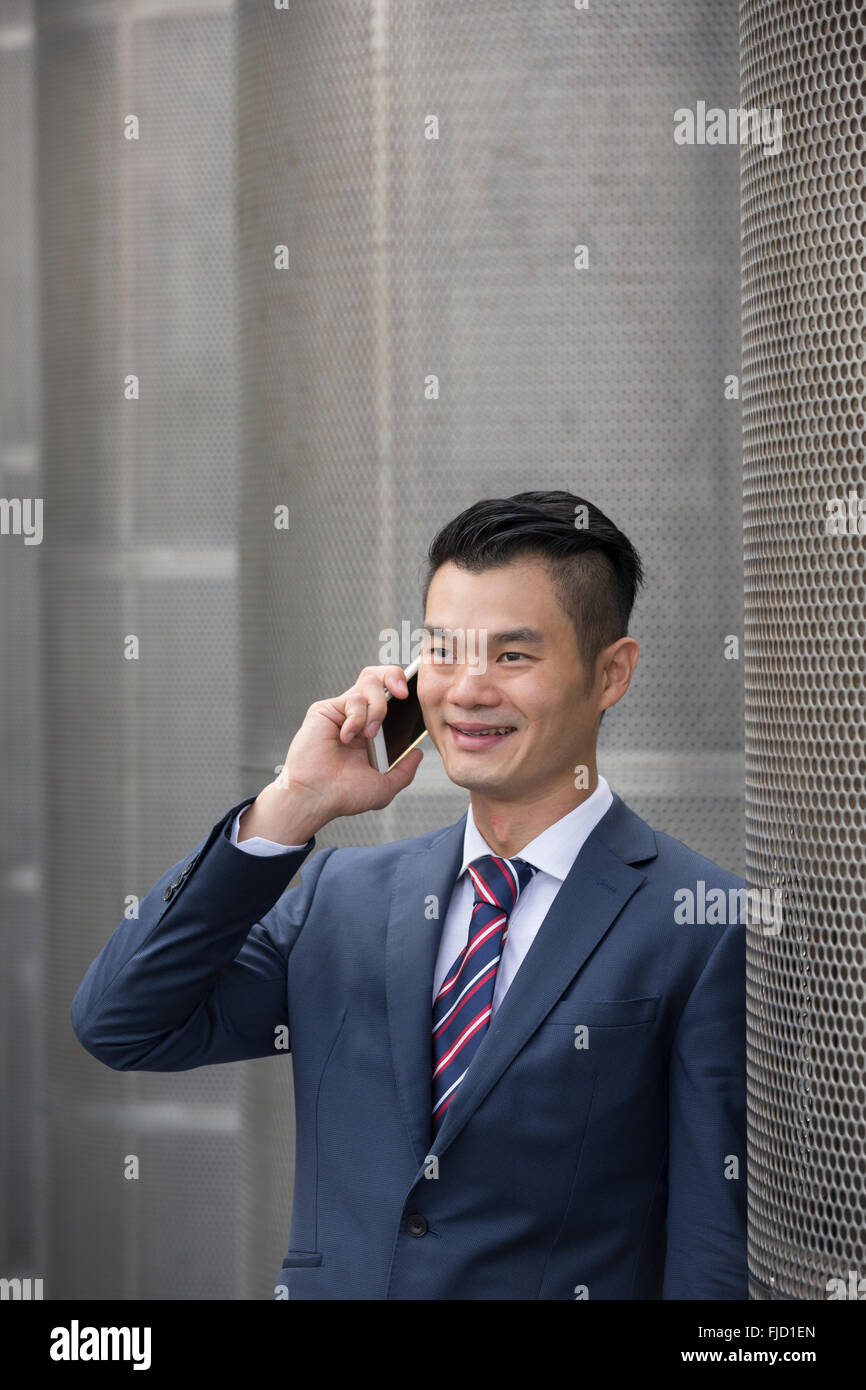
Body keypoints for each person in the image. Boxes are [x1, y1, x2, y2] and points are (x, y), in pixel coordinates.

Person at [71, 489, 747, 1300]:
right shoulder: (340, 897)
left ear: (612, 673)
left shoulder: (701, 924)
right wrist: (292, 805)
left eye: (513, 657)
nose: (467, 691)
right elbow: (122, 1023)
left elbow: (710, 1257)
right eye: (444, 651)